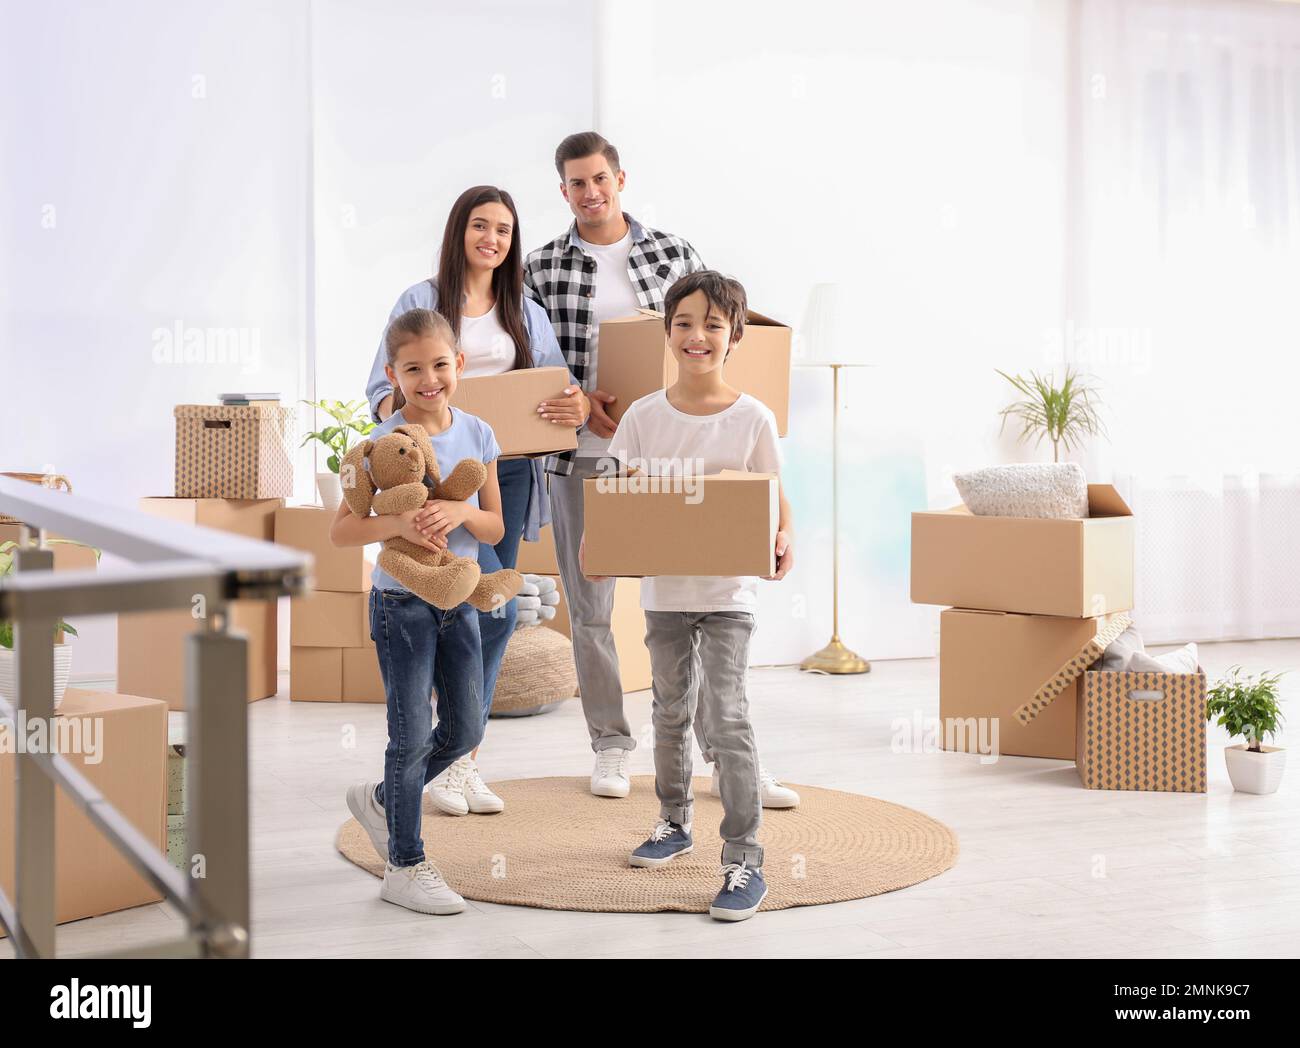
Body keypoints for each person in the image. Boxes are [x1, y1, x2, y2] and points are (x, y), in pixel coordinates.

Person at [525, 131, 798, 808]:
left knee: (699, 601)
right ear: (563, 192)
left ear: (621, 179)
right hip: (581, 459)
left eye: (600, 179)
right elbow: (532, 357)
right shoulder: (541, 266)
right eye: (576, 184)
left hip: (675, 453)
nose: (591, 193)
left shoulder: (671, 252)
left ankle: (725, 752)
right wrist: (584, 401)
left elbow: (717, 326)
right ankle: (611, 746)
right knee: (590, 610)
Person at [366, 186, 589, 815]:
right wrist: (423, 422)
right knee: (462, 602)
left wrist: (572, 402)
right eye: (480, 226)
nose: (492, 239)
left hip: (504, 470)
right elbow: (378, 389)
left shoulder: (525, 308)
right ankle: (442, 750)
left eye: (504, 230)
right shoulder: (420, 300)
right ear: (458, 230)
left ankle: (460, 758)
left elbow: (555, 385)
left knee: (494, 606)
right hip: (432, 472)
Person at [582, 271, 794, 922]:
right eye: (683, 324)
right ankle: (673, 823)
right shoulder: (644, 417)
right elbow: (612, 499)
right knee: (670, 715)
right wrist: (598, 548)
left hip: (729, 594)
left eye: (712, 325)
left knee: (727, 720)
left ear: (734, 336)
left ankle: (744, 861)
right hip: (665, 594)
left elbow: (774, 499)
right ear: (667, 332)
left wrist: (786, 537)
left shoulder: (753, 417)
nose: (696, 336)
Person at [338, 308, 509, 916]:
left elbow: (494, 526)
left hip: (456, 598)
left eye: (440, 365)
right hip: (399, 603)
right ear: (393, 374)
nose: (429, 379)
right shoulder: (381, 443)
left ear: (459, 365)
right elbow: (342, 531)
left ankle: (385, 799)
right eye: (413, 369)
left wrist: (460, 514)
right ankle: (405, 864)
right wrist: (401, 521)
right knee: (409, 732)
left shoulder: (480, 435)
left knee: (466, 728)